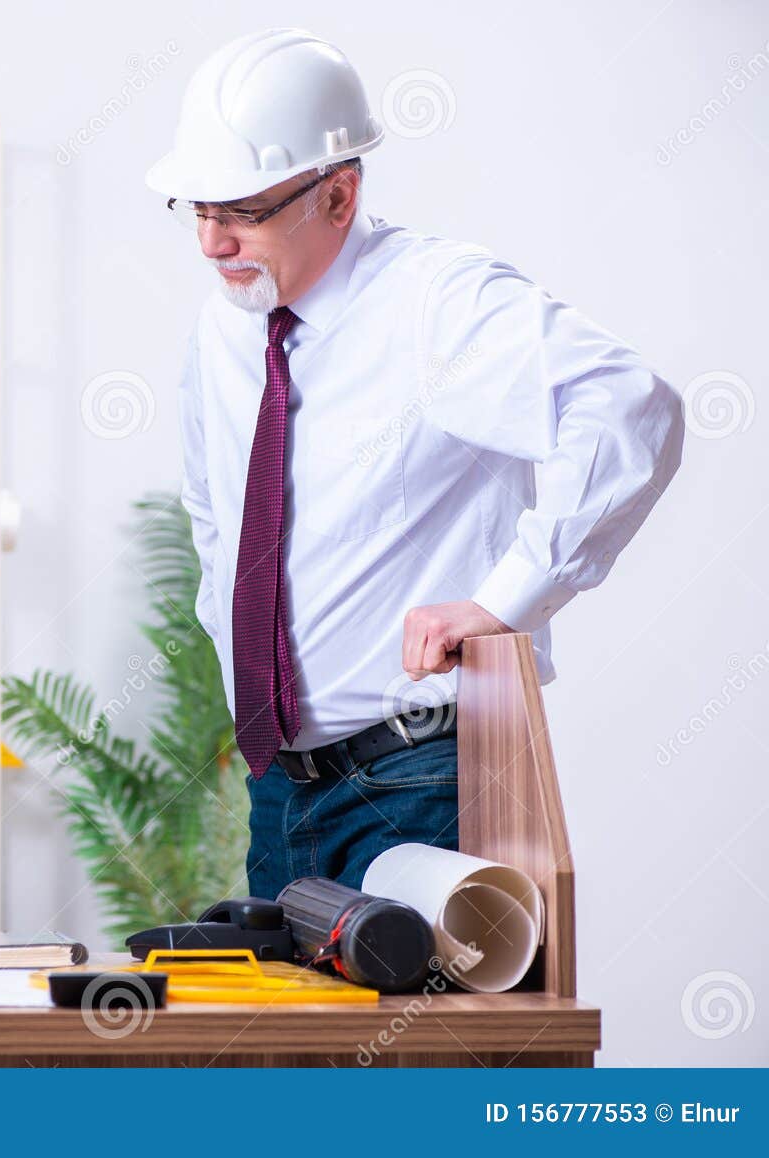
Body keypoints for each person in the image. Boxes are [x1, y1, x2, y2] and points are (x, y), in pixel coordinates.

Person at [156, 30, 683, 899]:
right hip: (278, 788)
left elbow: (631, 407)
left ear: (338, 193)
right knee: (290, 1038)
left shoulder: (436, 302)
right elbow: (214, 513)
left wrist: (502, 602)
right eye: (197, 209)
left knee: (433, 1038)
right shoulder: (225, 328)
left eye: (243, 211)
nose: (213, 243)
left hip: (418, 782)